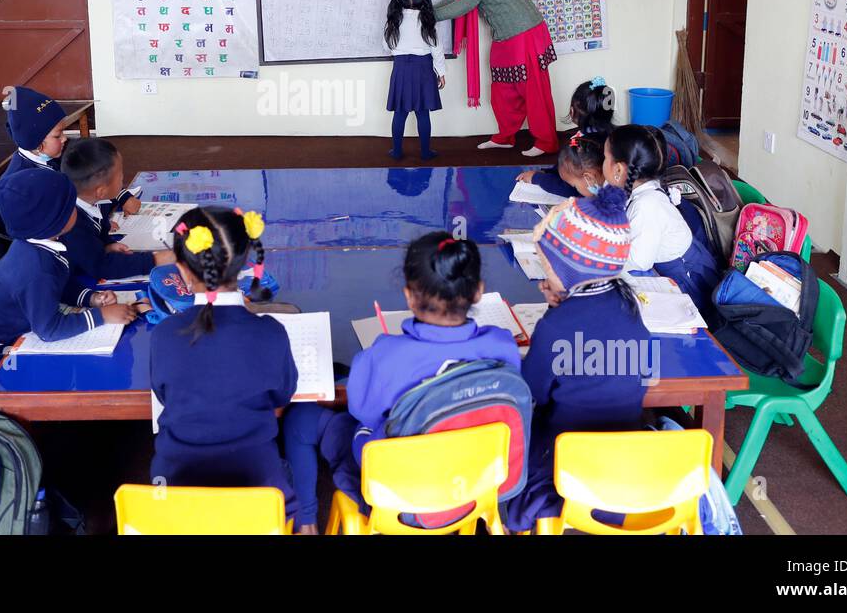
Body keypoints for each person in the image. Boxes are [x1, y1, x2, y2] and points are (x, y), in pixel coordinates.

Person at [282, 233, 520, 533]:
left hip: (396, 492)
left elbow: (361, 411)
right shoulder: (504, 346)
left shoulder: (385, 356)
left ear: (409, 295)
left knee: (300, 418)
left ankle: (306, 522)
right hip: (476, 483)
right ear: (478, 293)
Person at [502, 185, 652, 532]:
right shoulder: (630, 309)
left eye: (547, 266)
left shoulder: (556, 327)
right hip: (622, 463)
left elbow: (530, 394)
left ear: (569, 269)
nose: (544, 275)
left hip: (564, 466)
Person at [149, 208, 303, 522]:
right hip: (257, 483)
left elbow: (165, 393)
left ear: (181, 270)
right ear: (245, 261)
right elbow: (282, 396)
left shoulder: (164, 334)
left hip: (172, 485)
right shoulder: (270, 332)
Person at [0, 167, 136, 383]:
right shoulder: (36, 268)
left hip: (18, 332)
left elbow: (58, 282)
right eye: (70, 206)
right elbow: (49, 329)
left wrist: (90, 298)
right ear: (54, 221)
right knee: (63, 379)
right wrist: (102, 316)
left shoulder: (39, 244)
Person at [432, 0, 559, 157]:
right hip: (504, 34)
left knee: (533, 89)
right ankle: (505, 137)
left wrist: (429, 17)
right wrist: (427, 11)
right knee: (503, 89)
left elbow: (469, 2)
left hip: (525, 31)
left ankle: (546, 142)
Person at [604, 124, 720, 309]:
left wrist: (598, 258)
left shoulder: (647, 205)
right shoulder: (643, 191)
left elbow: (640, 261)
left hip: (686, 280)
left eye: (605, 158)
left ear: (618, 169)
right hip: (668, 270)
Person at [59, 138, 172, 282]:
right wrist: (157, 259)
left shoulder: (88, 201)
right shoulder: (73, 223)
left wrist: (107, 246)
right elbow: (102, 267)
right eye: (120, 176)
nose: (123, 179)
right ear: (101, 192)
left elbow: (94, 241)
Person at [383, 0, 445, 160]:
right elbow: (437, 49)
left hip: (401, 69)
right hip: (424, 70)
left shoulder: (393, 21)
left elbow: (387, 46)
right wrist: (441, 73)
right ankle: (426, 153)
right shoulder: (427, 20)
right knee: (423, 113)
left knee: (399, 113)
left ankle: (396, 151)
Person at [0, 85, 67, 180]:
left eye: (63, 132)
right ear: (36, 144)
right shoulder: (20, 182)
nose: (65, 138)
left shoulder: (55, 155)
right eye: (57, 136)